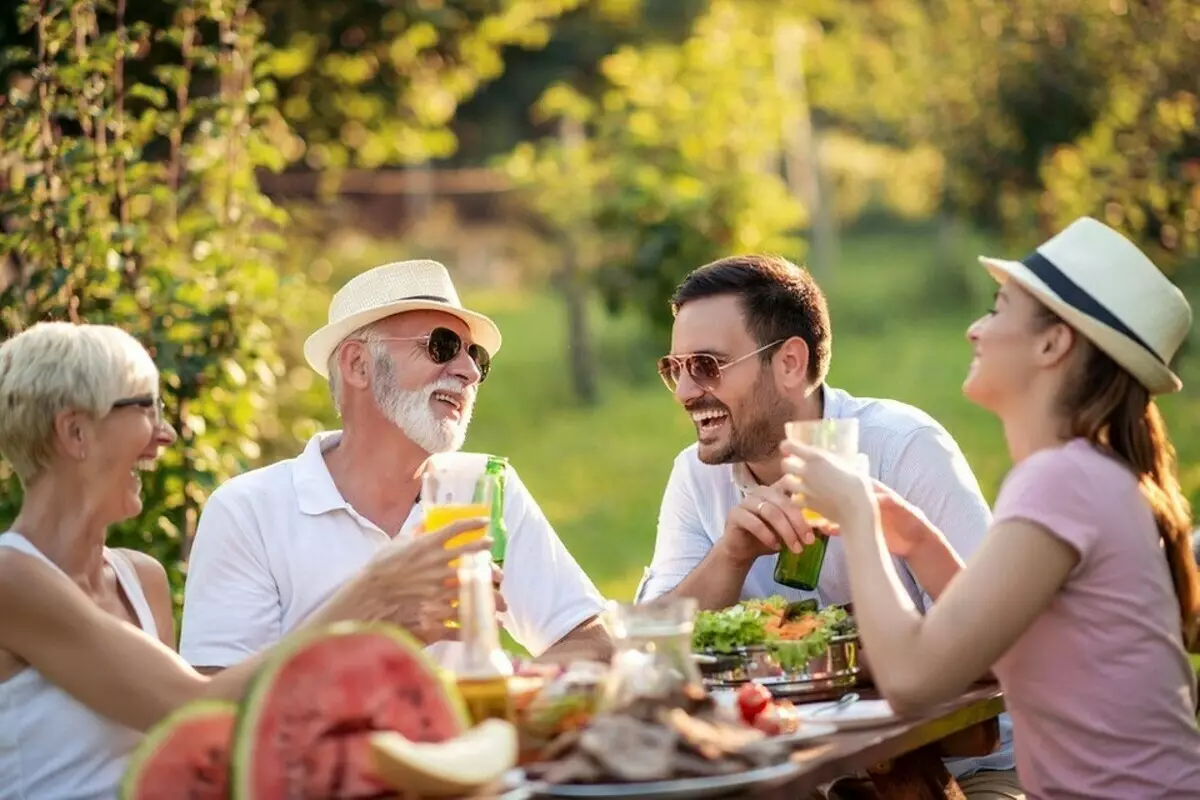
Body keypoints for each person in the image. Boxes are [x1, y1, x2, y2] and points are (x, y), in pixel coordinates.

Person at [781, 217, 1200, 798]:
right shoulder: (1088, 474)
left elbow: (911, 679)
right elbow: (1004, 638)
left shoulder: (1062, 481)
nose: (976, 329)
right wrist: (917, 540)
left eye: (999, 309)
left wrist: (855, 514)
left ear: (1054, 343)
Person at [0, 321, 490, 799]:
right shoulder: (11, 578)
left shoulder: (141, 580)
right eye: (144, 409)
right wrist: (370, 596)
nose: (165, 434)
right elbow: (189, 704)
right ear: (75, 432)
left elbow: (204, 735)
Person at [635, 254, 1021, 796]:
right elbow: (651, 647)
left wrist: (804, 661)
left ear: (790, 362)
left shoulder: (901, 447)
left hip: (971, 771)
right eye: (674, 369)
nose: (685, 391)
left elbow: (986, 645)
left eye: (707, 365)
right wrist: (730, 555)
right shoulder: (697, 478)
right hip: (801, 776)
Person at [179, 259, 611, 672]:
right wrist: (382, 628)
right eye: (442, 347)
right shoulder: (248, 512)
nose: (469, 373)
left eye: (475, 356)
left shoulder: (484, 488)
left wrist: (502, 692)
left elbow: (591, 642)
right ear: (358, 364)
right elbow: (219, 709)